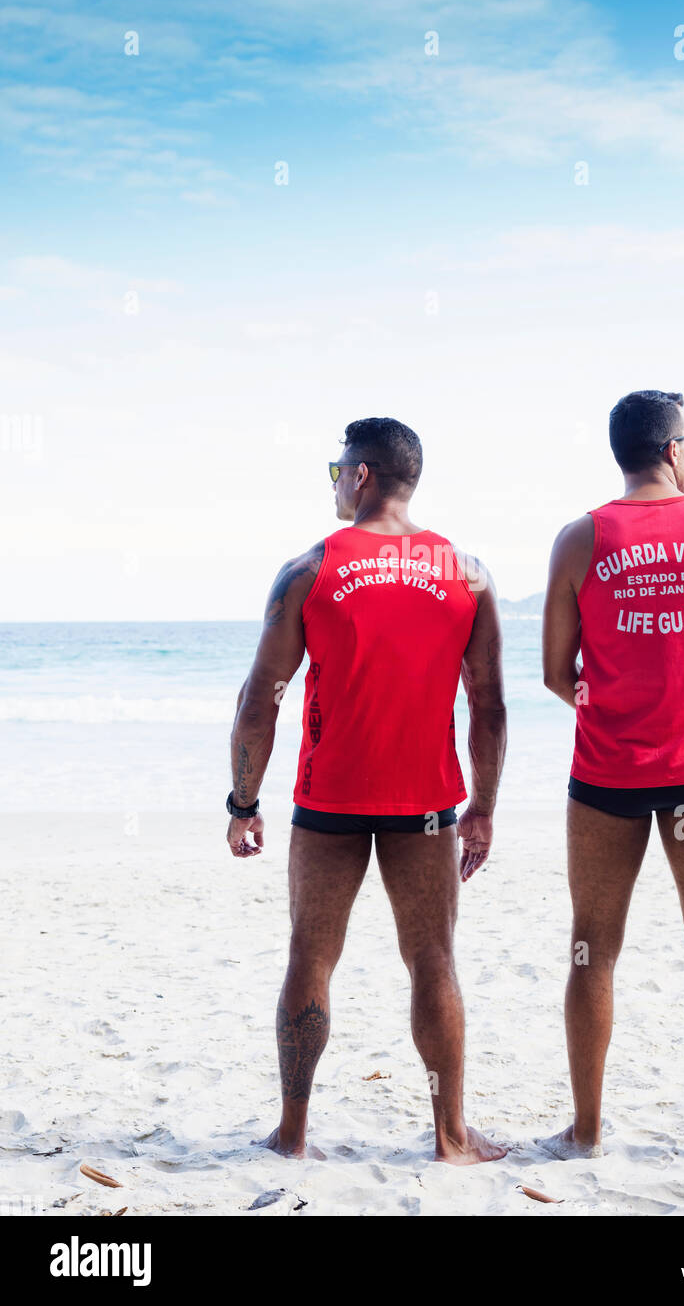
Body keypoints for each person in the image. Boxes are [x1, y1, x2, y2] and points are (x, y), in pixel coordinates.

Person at [226, 416, 507, 1164]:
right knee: (434, 960)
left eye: (336, 471)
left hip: (330, 801)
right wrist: (481, 808)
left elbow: (261, 699)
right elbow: (490, 705)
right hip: (425, 804)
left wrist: (243, 802)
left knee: (310, 956)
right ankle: (450, 1138)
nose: (335, 483)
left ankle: (292, 1136)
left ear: (362, 476)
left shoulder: (309, 569)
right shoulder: (468, 573)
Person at [541, 389, 684, 1159]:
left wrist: (618, 710)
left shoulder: (580, 540)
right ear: (675, 450)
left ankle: (587, 1131)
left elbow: (553, 672)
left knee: (592, 948)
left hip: (606, 777)